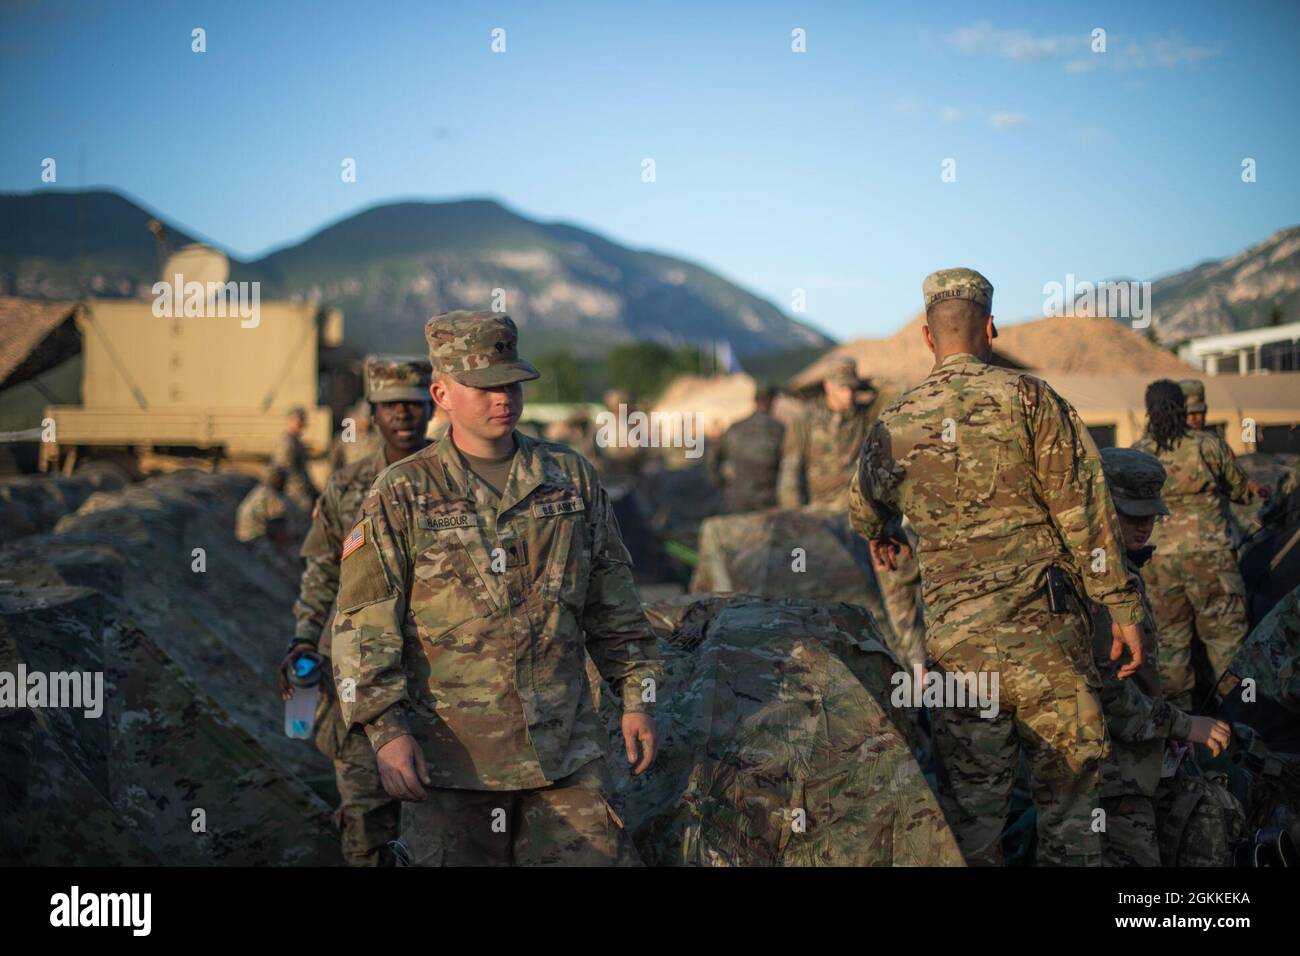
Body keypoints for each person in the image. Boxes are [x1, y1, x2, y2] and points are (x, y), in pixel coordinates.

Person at [331, 311, 662, 866]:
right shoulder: (402, 493)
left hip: (564, 753)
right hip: (452, 763)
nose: (501, 397)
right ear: (442, 392)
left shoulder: (569, 477)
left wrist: (638, 699)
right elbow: (363, 624)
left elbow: (613, 601)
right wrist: (386, 732)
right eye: (482, 386)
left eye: (510, 383)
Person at [849, 267, 1146, 866]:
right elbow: (1085, 513)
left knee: (972, 825)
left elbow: (862, 507)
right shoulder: (1033, 400)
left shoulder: (893, 424)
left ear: (929, 340)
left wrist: (881, 535)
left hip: (961, 658)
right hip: (1050, 644)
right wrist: (1122, 606)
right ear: (990, 328)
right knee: (1072, 815)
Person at [281, 355, 434, 866]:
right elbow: (322, 569)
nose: (404, 416)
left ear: (432, 408)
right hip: (359, 672)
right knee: (366, 816)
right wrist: (302, 639)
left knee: (441, 819)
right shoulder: (346, 488)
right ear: (373, 411)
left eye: (413, 405)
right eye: (392, 406)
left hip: (441, 679)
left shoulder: (453, 482)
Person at [1090, 447, 1232, 866]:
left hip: (1135, 766)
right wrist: (1186, 725)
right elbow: (1109, 695)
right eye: (1130, 514)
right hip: (1108, 778)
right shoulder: (1097, 585)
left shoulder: (1120, 572)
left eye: (1149, 513)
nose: (1145, 525)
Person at [1133, 380, 1269, 710]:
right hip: (1213, 562)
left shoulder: (1138, 453)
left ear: (1149, 411)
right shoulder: (1208, 445)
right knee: (1228, 646)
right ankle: (1241, 724)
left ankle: (1181, 733)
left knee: (1169, 649)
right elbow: (1238, 490)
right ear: (1184, 407)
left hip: (1158, 564)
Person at [777, 356, 875, 510]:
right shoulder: (807, 418)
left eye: (852, 387)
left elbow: (894, 390)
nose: (849, 393)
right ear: (828, 386)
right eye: (843, 387)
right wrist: (794, 514)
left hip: (857, 510)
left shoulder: (863, 415)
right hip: (819, 511)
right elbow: (790, 469)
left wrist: (869, 383)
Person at [707, 383, 785, 513]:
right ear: (773, 401)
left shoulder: (734, 429)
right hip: (769, 502)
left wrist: (723, 483)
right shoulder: (779, 430)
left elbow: (712, 460)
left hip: (738, 500)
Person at [235, 464, 301, 574]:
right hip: (256, 541)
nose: (286, 483)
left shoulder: (259, 491)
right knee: (287, 565)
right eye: (283, 479)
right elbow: (278, 533)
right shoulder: (272, 497)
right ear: (277, 480)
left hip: (244, 540)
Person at [272, 405, 319, 511]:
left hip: (301, 491)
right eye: (299, 421)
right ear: (291, 421)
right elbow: (283, 470)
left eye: (303, 421)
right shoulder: (287, 443)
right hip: (293, 494)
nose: (302, 424)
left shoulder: (297, 442)